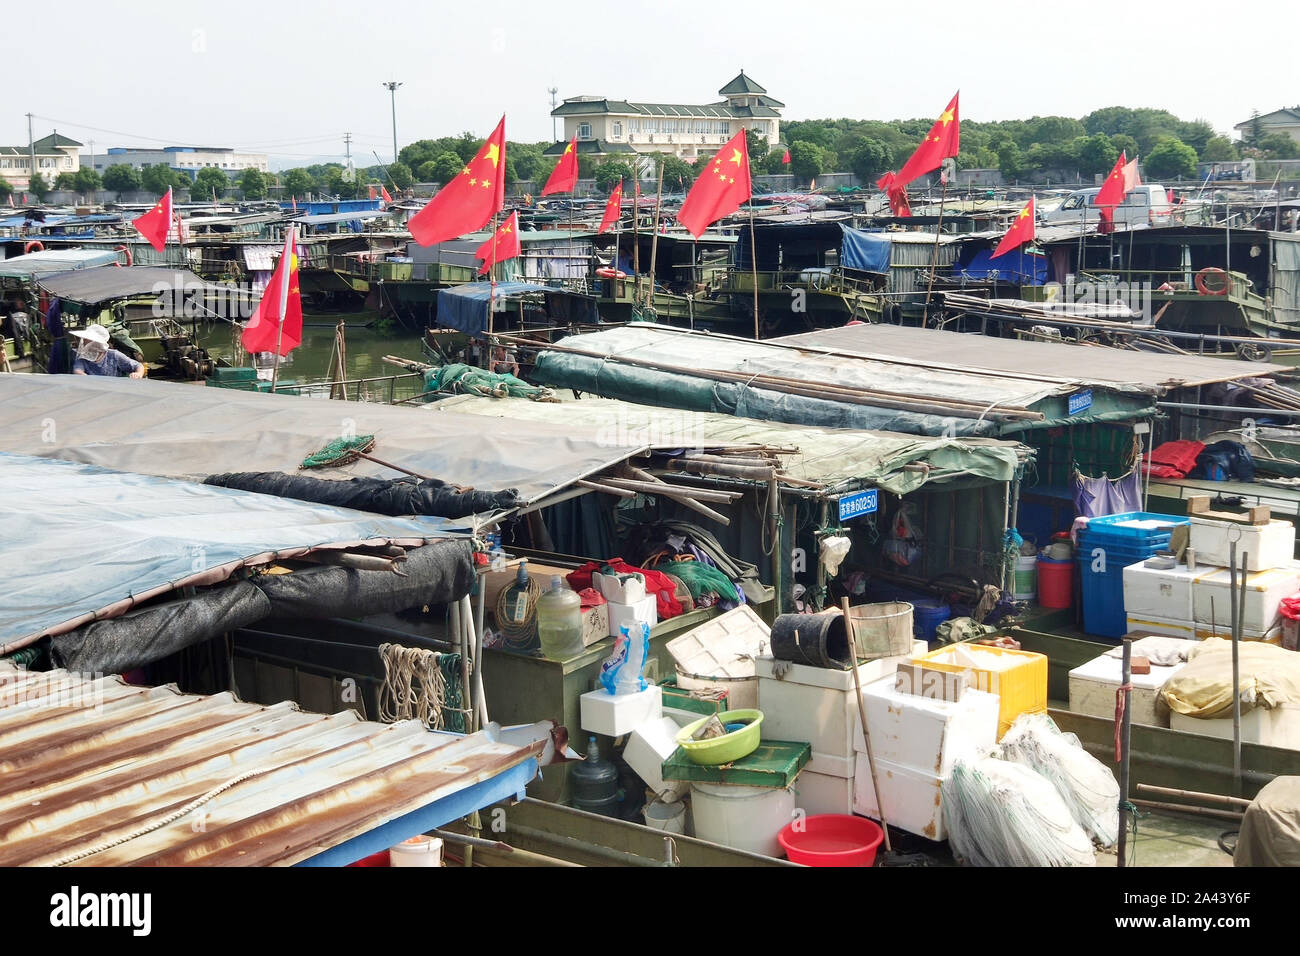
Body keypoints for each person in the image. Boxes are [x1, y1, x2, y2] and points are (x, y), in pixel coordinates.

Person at [70, 324, 145, 378]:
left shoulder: (113, 355)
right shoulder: (83, 358)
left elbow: (138, 365)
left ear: (97, 342)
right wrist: (84, 377)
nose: (84, 341)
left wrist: (138, 374)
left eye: (87, 339)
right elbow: (77, 370)